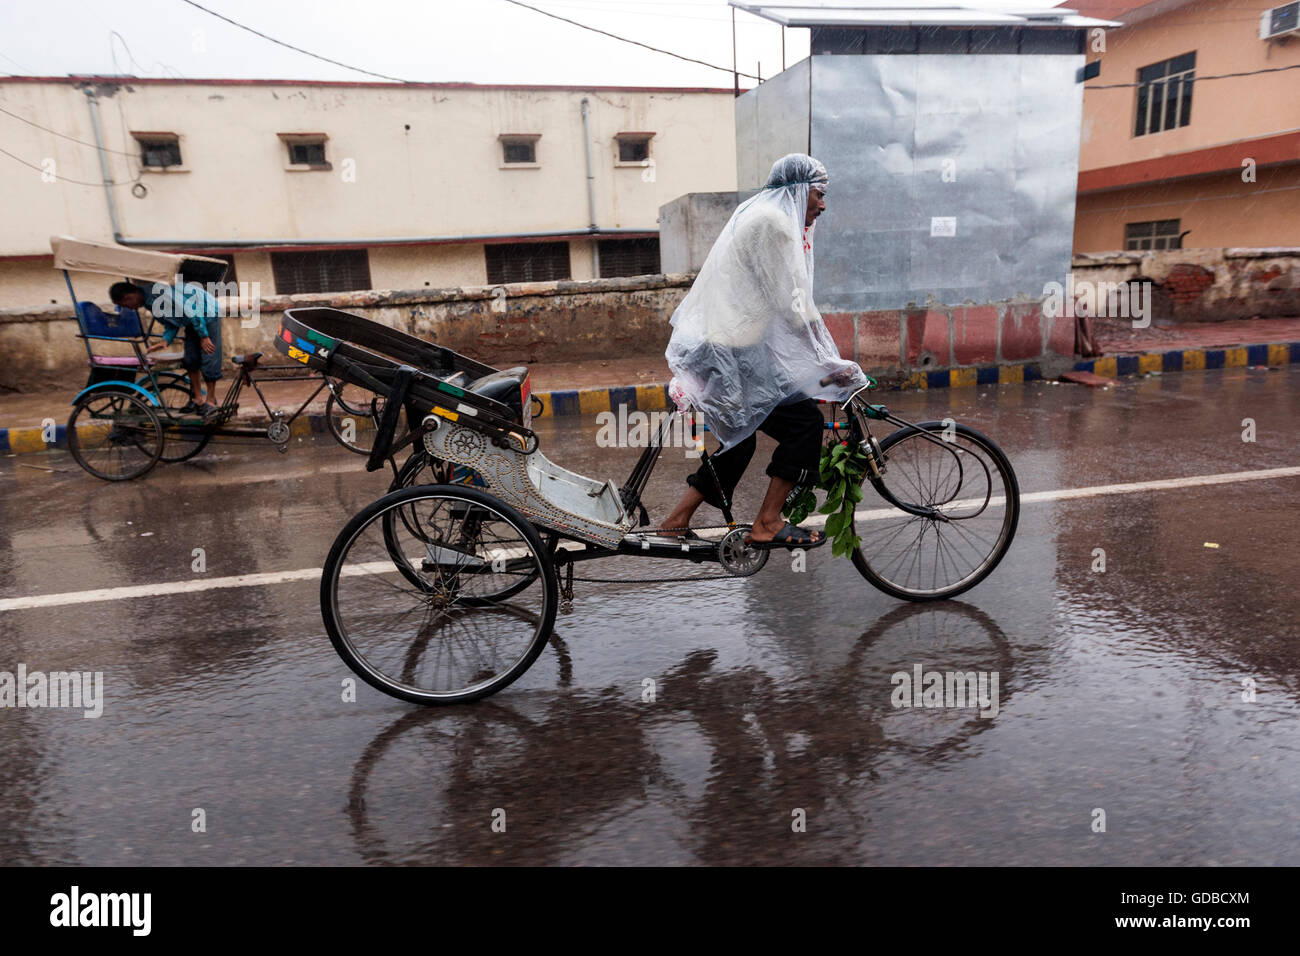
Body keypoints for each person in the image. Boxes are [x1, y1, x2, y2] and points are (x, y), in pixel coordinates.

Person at [662, 153, 866, 549]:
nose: (823, 205)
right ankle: (768, 522)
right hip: (725, 350)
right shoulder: (773, 224)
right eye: (819, 194)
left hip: (730, 346)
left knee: (744, 435)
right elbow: (791, 306)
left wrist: (819, 365)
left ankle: (676, 520)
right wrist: (830, 364)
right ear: (798, 190)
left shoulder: (765, 217)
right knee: (803, 424)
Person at [109, 279, 224, 418]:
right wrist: (165, 340)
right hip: (192, 319)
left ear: (129, 296)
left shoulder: (159, 292)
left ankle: (210, 401)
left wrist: (204, 336)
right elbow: (171, 322)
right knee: (190, 359)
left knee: (208, 355)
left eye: (125, 304)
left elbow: (190, 309)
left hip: (207, 312)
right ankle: (198, 399)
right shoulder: (148, 302)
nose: (129, 308)